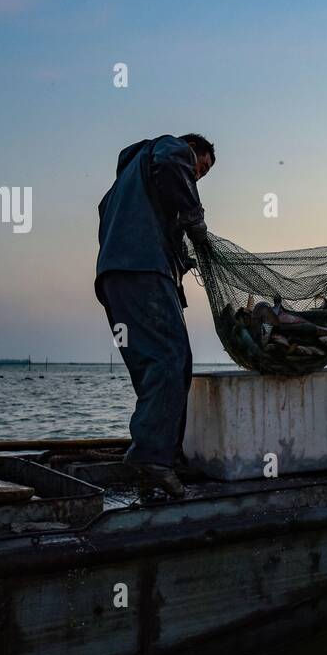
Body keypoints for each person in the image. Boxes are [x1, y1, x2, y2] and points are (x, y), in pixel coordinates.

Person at [96, 133, 214, 497]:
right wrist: (195, 219)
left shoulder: (125, 182)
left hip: (114, 279)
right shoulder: (170, 148)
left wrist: (178, 251)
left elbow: (128, 215)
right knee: (171, 359)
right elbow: (172, 163)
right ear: (192, 150)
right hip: (143, 273)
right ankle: (152, 457)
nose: (199, 175)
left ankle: (162, 455)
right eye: (202, 167)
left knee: (155, 365)